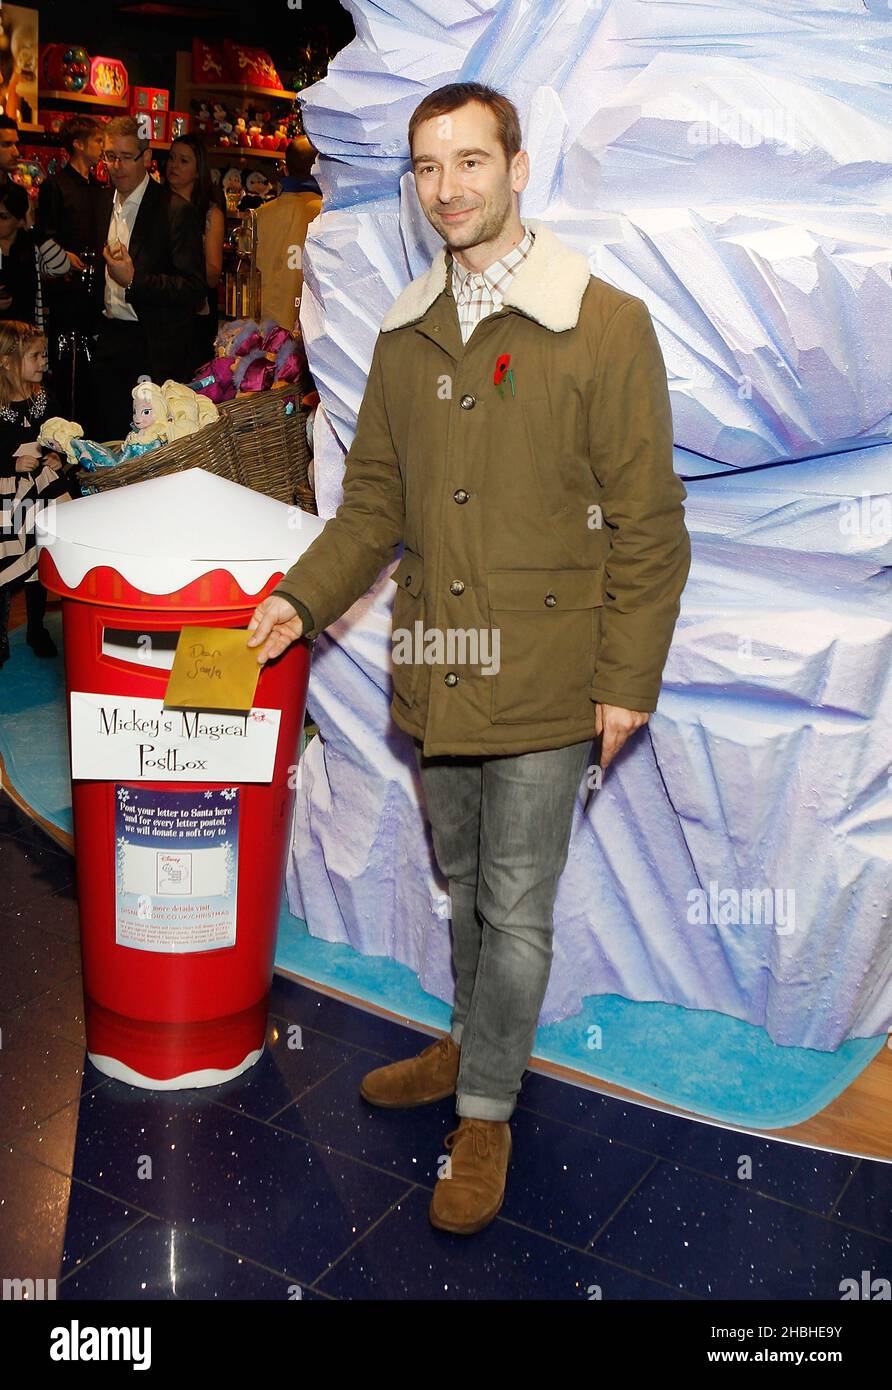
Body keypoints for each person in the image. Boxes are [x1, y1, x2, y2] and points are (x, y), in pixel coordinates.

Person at [246, 82, 691, 1235]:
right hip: (438, 661)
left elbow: (647, 522)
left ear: (517, 167)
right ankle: (470, 1043)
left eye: (470, 163)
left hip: (551, 674)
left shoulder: (603, 322)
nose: (447, 188)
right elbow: (372, 508)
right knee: (462, 884)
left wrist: (625, 679)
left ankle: (485, 1108)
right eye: (427, 167)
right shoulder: (402, 332)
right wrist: (301, 599)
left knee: (515, 899)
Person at [92, 115, 206, 441]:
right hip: (107, 339)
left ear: (146, 158)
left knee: (148, 448)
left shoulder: (174, 210)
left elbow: (194, 288)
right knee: (105, 440)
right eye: (110, 156)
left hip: (152, 348)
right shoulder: (101, 202)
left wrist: (134, 280)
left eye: (127, 157)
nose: (117, 165)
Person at [0, 320, 78, 665]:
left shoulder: (43, 398)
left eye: (43, 354)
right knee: (7, 562)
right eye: (35, 355)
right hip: (9, 495)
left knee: (39, 559)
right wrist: (10, 464)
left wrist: (56, 456)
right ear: (7, 360)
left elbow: (60, 434)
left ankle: (36, 627)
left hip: (43, 489)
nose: (43, 361)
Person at [36, 115, 107, 427]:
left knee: (93, 370)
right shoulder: (56, 186)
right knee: (67, 366)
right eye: (97, 141)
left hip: (96, 291)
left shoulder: (100, 189)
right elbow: (43, 235)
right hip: (66, 292)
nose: (103, 147)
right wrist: (65, 258)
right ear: (78, 145)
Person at [164, 133, 225, 374]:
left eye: (184, 161)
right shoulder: (153, 206)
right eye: (171, 158)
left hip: (194, 317)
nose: (174, 166)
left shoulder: (209, 213)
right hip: (159, 311)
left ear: (199, 170)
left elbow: (212, 273)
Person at [254, 136, 322, 331]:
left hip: (261, 332)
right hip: (305, 333)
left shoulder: (258, 216)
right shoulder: (326, 215)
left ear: (285, 168)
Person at [0, 180, 72, 328]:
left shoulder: (30, 249)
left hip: (26, 338)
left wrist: (33, 227)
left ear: (20, 221)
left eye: (4, 217)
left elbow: (61, 266)